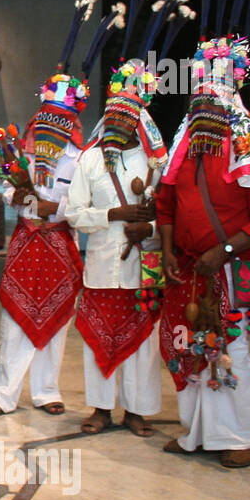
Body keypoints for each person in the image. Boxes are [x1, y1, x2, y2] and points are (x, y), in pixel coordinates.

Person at [157, 0, 250, 469]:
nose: (207, 93)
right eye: (201, 83)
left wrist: (225, 252)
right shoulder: (185, 136)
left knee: (232, 345)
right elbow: (166, 199)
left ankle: (238, 435)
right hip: (188, 265)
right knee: (188, 343)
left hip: (233, 266)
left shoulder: (248, 136)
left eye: (217, 82)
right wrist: (169, 249)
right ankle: (194, 433)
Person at [0, 0, 119, 418]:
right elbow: (4, 189)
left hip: (60, 244)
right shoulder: (22, 153)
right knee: (13, 320)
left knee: (57, 319)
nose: (50, 129)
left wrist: (54, 209)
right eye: (46, 119)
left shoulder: (82, 159)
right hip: (25, 242)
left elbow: (82, 206)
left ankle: (47, 392)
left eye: (58, 122)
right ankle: (3, 394)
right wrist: (20, 196)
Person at [67, 58, 168, 436]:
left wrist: (150, 226)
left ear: (138, 123)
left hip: (143, 268)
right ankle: (101, 408)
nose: (116, 127)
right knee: (98, 336)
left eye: (124, 122)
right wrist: (115, 213)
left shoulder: (156, 162)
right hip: (101, 268)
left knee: (144, 343)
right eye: (111, 120)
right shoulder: (90, 159)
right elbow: (75, 214)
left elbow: (170, 215)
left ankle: (138, 412)